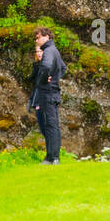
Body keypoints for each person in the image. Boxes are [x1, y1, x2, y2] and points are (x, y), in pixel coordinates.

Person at [29, 26, 66, 165]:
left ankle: (52, 158)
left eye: (38, 37)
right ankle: (52, 157)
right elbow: (62, 68)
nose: (36, 40)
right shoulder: (54, 50)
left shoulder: (49, 51)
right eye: (35, 38)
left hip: (48, 94)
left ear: (47, 36)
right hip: (52, 93)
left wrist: (44, 80)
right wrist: (55, 79)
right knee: (52, 125)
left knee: (50, 125)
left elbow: (46, 66)